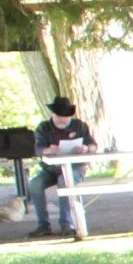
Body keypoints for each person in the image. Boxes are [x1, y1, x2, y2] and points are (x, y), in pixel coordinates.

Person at [28, 97, 97, 238]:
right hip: (50, 169)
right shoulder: (43, 128)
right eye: (60, 116)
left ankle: (66, 223)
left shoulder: (79, 126)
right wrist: (50, 150)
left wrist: (84, 148)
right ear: (53, 115)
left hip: (75, 168)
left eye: (66, 117)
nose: (63, 120)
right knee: (35, 184)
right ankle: (43, 224)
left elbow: (93, 146)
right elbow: (38, 150)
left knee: (64, 181)